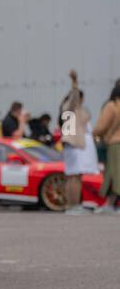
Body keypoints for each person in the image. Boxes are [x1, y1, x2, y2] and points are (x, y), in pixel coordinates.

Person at [59, 71, 97, 214]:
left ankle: (71, 205)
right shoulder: (71, 106)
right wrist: (75, 82)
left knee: (73, 176)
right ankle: (73, 205)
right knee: (74, 176)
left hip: (73, 145)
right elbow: (75, 95)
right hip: (74, 145)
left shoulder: (71, 109)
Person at [94, 79, 120, 213]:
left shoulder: (111, 106)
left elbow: (101, 126)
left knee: (113, 174)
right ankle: (112, 204)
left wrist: (94, 133)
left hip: (115, 144)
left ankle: (110, 204)